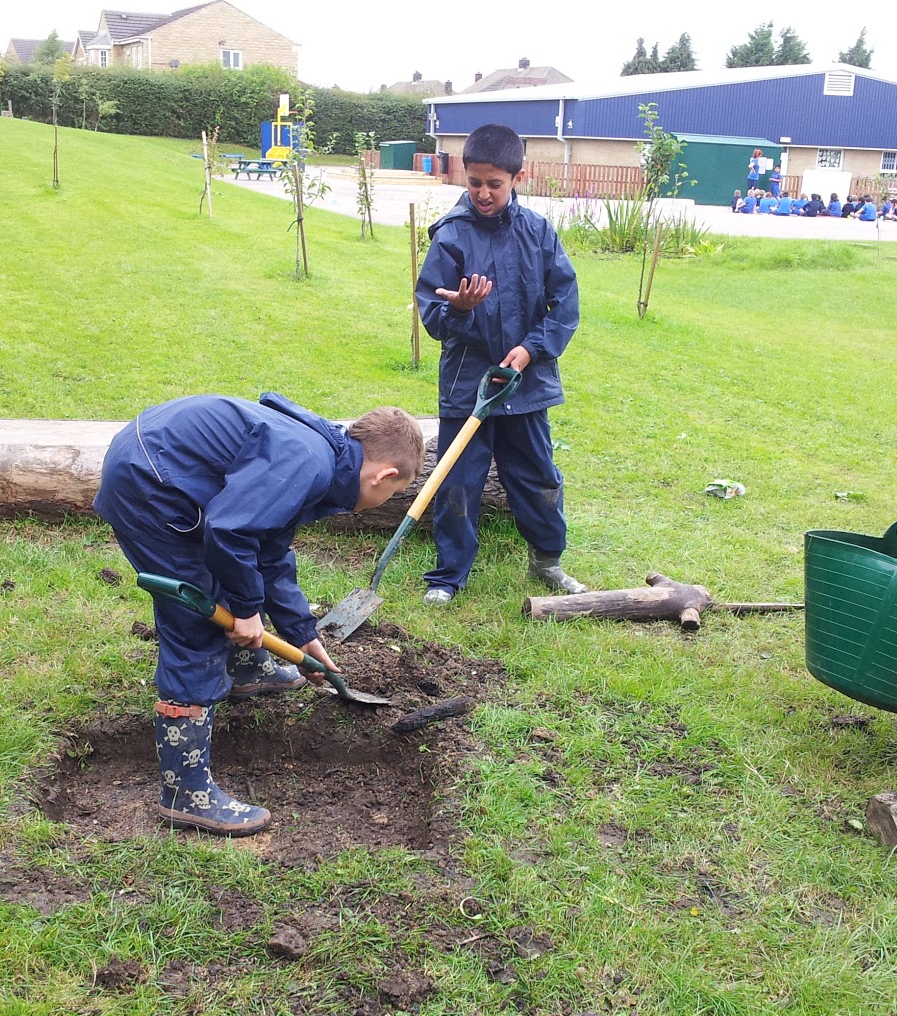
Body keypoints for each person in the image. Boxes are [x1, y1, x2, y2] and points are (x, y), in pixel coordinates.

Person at [94, 395, 423, 835]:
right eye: (393, 494)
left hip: (160, 461)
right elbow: (230, 530)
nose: (384, 501)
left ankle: (247, 669)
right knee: (197, 625)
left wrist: (301, 633)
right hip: (152, 483)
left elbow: (267, 548)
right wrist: (248, 611)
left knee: (232, 572)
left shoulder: (319, 457)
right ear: (385, 475)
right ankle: (184, 792)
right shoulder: (309, 463)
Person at [416, 123, 587, 605]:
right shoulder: (450, 236)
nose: (484, 193)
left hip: (525, 385)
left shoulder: (538, 232)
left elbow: (565, 305)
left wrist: (531, 349)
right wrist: (459, 310)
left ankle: (547, 560)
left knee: (537, 475)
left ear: (518, 178)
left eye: (495, 183)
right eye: (475, 183)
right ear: (464, 176)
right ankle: (448, 577)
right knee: (458, 481)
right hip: (468, 386)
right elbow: (433, 316)